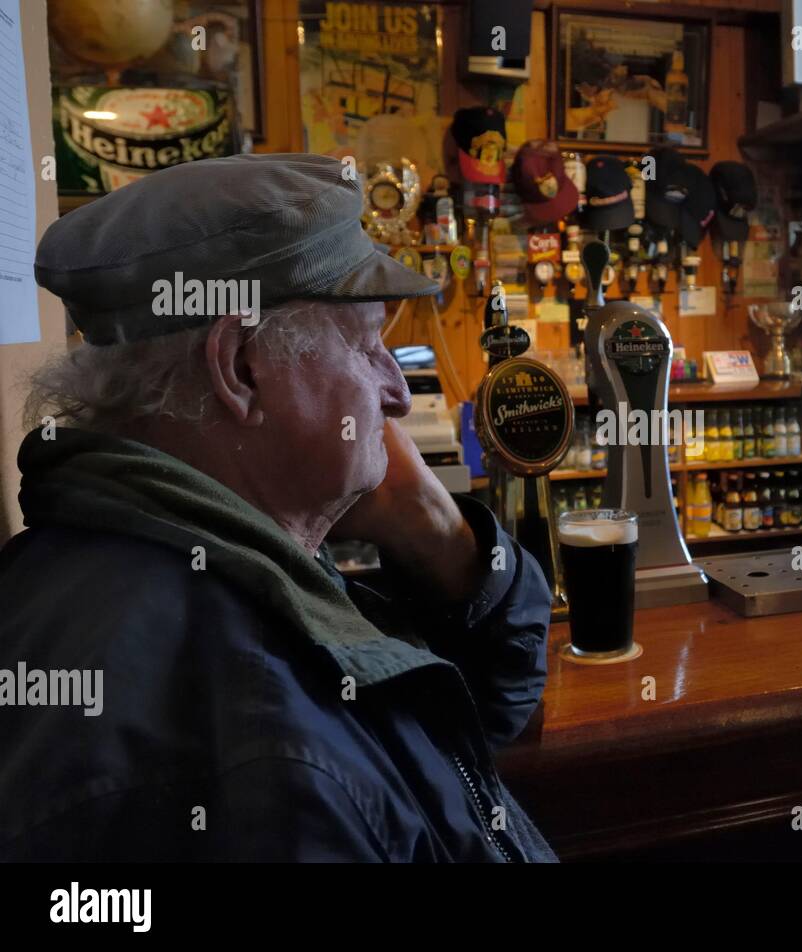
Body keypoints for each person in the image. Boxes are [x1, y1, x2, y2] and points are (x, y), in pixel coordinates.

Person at [0, 154, 556, 862]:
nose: (397, 394)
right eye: (366, 347)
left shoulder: (212, 555)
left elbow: (477, 722)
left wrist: (429, 522)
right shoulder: (257, 748)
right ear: (240, 368)